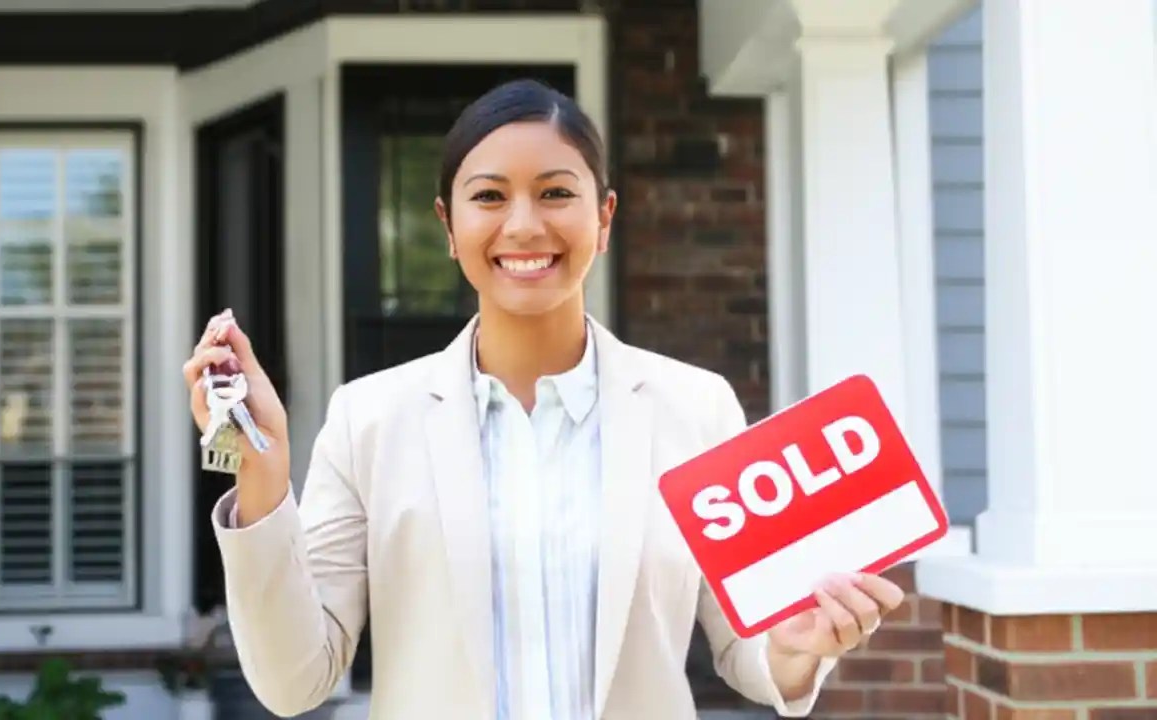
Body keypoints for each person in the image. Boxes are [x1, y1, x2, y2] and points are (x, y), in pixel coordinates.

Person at [183, 78, 905, 720]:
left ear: (605, 216)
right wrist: (262, 479)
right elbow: (295, 682)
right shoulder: (368, 419)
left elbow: (747, 653)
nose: (524, 225)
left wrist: (795, 650)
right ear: (447, 226)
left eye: (556, 192)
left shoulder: (697, 407)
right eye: (490, 196)